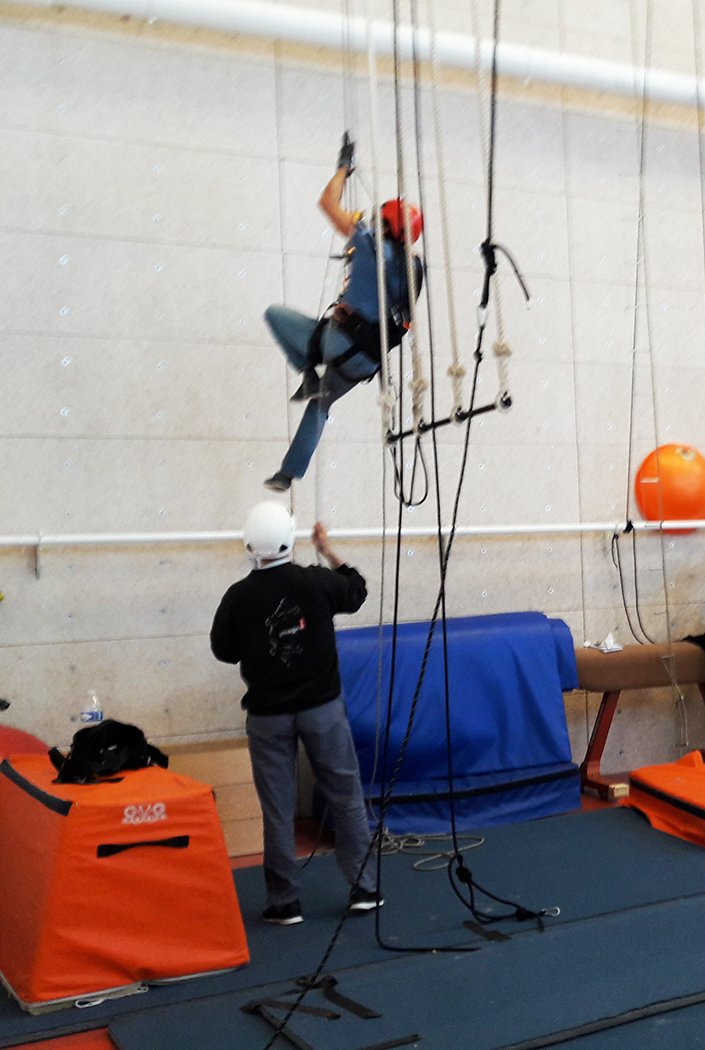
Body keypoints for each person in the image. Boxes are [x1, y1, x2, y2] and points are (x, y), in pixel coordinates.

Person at [210, 501, 381, 925]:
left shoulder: (238, 596)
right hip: (322, 709)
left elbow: (223, 650)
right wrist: (327, 550)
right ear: (291, 537)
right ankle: (364, 888)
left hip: (268, 716)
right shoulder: (317, 582)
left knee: (277, 808)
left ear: (249, 544)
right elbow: (356, 590)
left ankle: (284, 902)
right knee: (346, 796)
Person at [262, 135, 424, 492]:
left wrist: (343, 169)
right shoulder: (411, 267)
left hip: (338, 341)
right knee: (320, 404)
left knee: (274, 314)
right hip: (366, 361)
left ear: (384, 221)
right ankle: (287, 474)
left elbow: (327, 202)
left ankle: (309, 372)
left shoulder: (367, 240)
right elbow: (404, 319)